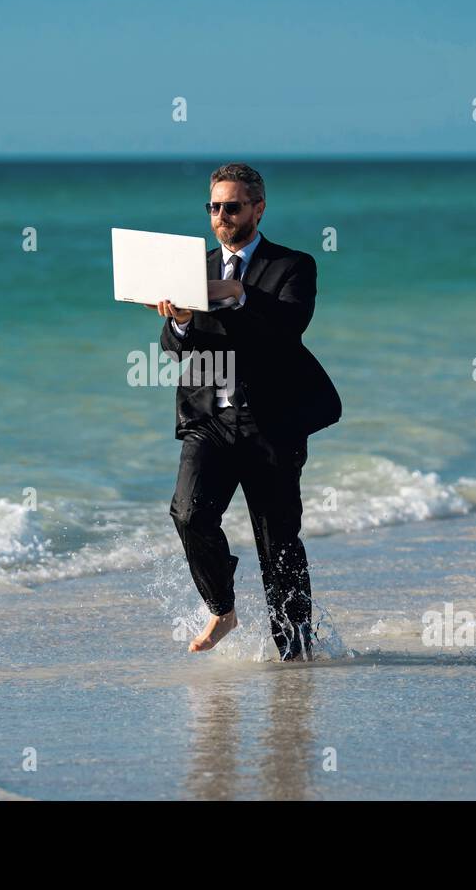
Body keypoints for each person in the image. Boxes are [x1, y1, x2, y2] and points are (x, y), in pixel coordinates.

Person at [149, 162, 341, 661]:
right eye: (213, 207)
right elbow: (172, 345)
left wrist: (239, 294)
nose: (221, 217)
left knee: (278, 544)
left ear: (258, 208)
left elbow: (287, 327)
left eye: (231, 207)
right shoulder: (196, 270)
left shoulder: (293, 266)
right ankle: (222, 607)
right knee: (189, 514)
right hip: (208, 418)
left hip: (271, 422)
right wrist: (184, 321)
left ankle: (296, 652)